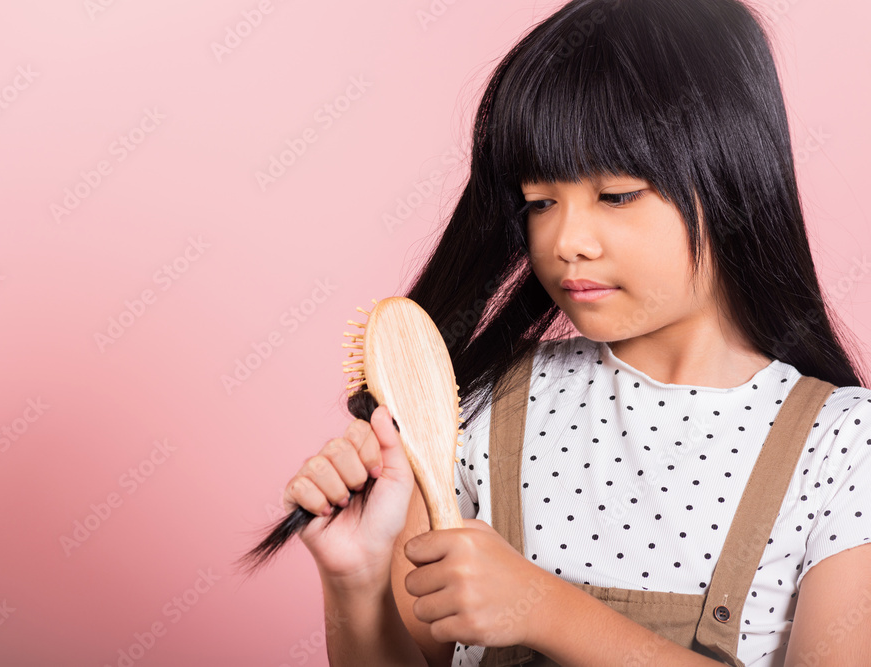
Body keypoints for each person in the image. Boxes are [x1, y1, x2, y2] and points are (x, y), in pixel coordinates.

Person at [280, 0, 871, 665]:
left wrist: (543, 608)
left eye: (616, 195)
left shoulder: (844, 450)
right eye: (539, 203)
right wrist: (355, 582)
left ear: (732, 178)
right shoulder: (478, 405)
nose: (566, 241)